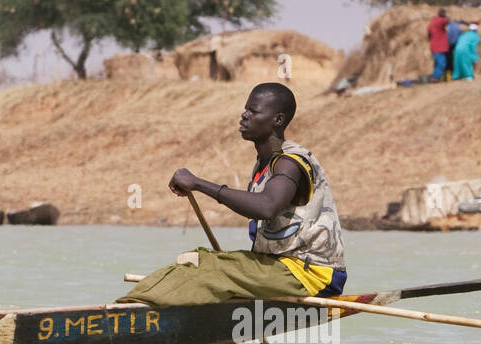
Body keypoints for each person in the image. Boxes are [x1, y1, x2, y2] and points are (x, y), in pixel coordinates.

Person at [121, 82, 347, 308]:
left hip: (312, 275)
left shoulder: (290, 163)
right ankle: (132, 307)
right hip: (278, 267)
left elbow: (266, 207)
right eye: (246, 109)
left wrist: (199, 184)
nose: (244, 116)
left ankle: (126, 312)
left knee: (205, 266)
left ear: (277, 120)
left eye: (254, 111)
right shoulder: (264, 164)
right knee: (193, 259)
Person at [428, 8, 450, 81]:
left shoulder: (433, 22)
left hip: (434, 46)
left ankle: (434, 76)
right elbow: (447, 20)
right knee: (442, 63)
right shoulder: (440, 21)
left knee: (437, 63)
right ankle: (435, 78)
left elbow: (429, 32)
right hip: (439, 47)